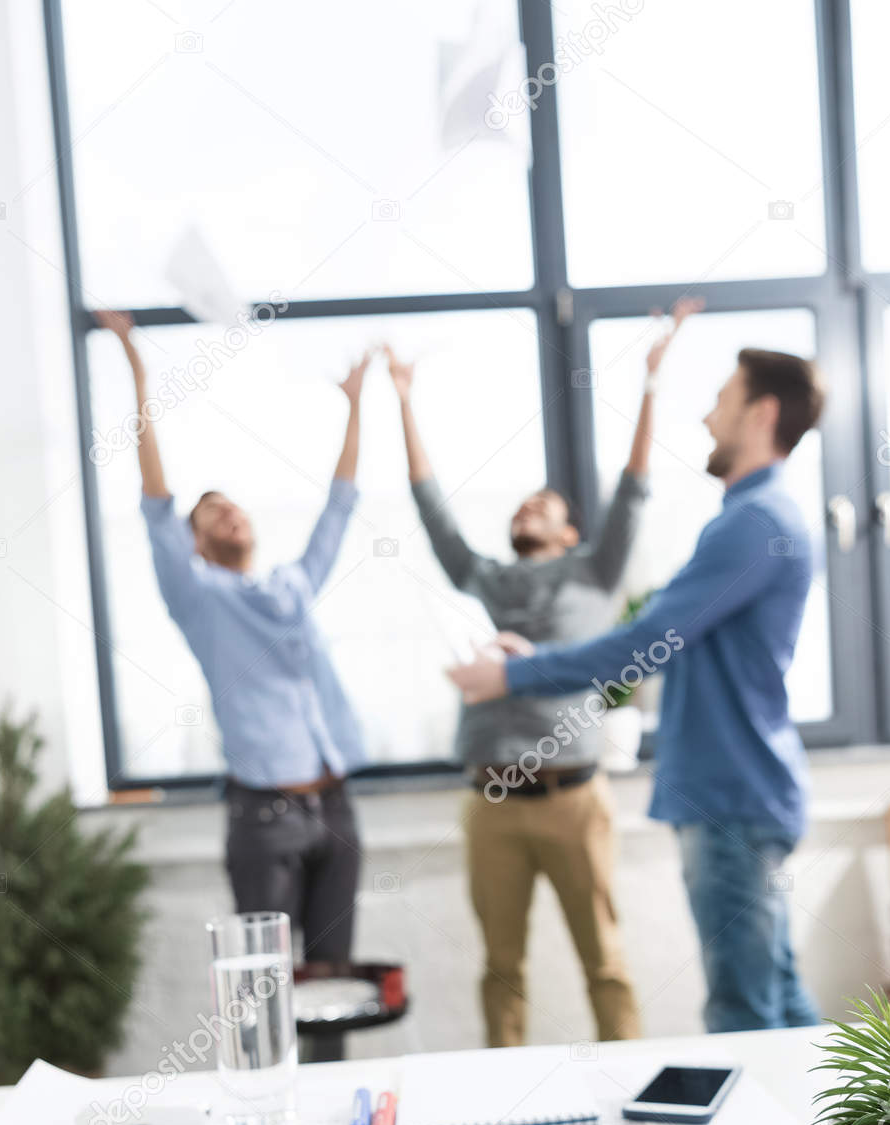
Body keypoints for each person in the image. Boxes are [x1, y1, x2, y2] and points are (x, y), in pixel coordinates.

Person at [449, 344, 826, 1034]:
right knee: (779, 997)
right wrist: (533, 657)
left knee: (743, 1009)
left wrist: (508, 674)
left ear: (761, 412)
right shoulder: (756, 518)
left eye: (723, 399)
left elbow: (643, 642)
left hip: (731, 799)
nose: (710, 417)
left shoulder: (756, 524)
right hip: (740, 793)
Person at [386, 302, 702, 1047]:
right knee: (501, 966)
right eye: (523, 505)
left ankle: (632, 1078)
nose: (529, 508)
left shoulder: (594, 572)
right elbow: (432, 510)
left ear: (569, 533)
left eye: (546, 506)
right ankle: (504, 1090)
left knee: (607, 960)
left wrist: (652, 381)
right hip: (491, 799)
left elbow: (633, 488)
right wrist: (403, 398)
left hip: (573, 798)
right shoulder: (486, 580)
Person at [97, 311, 368, 966]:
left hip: (335, 804)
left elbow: (339, 505)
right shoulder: (196, 595)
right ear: (192, 542)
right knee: (267, 985)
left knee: (334, 984)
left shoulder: (292, 587)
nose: (230, 511)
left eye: (235, 504)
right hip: (263, 817)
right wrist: (138, 371)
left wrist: (356, 405)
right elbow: (156, 499)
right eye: (211, 509)